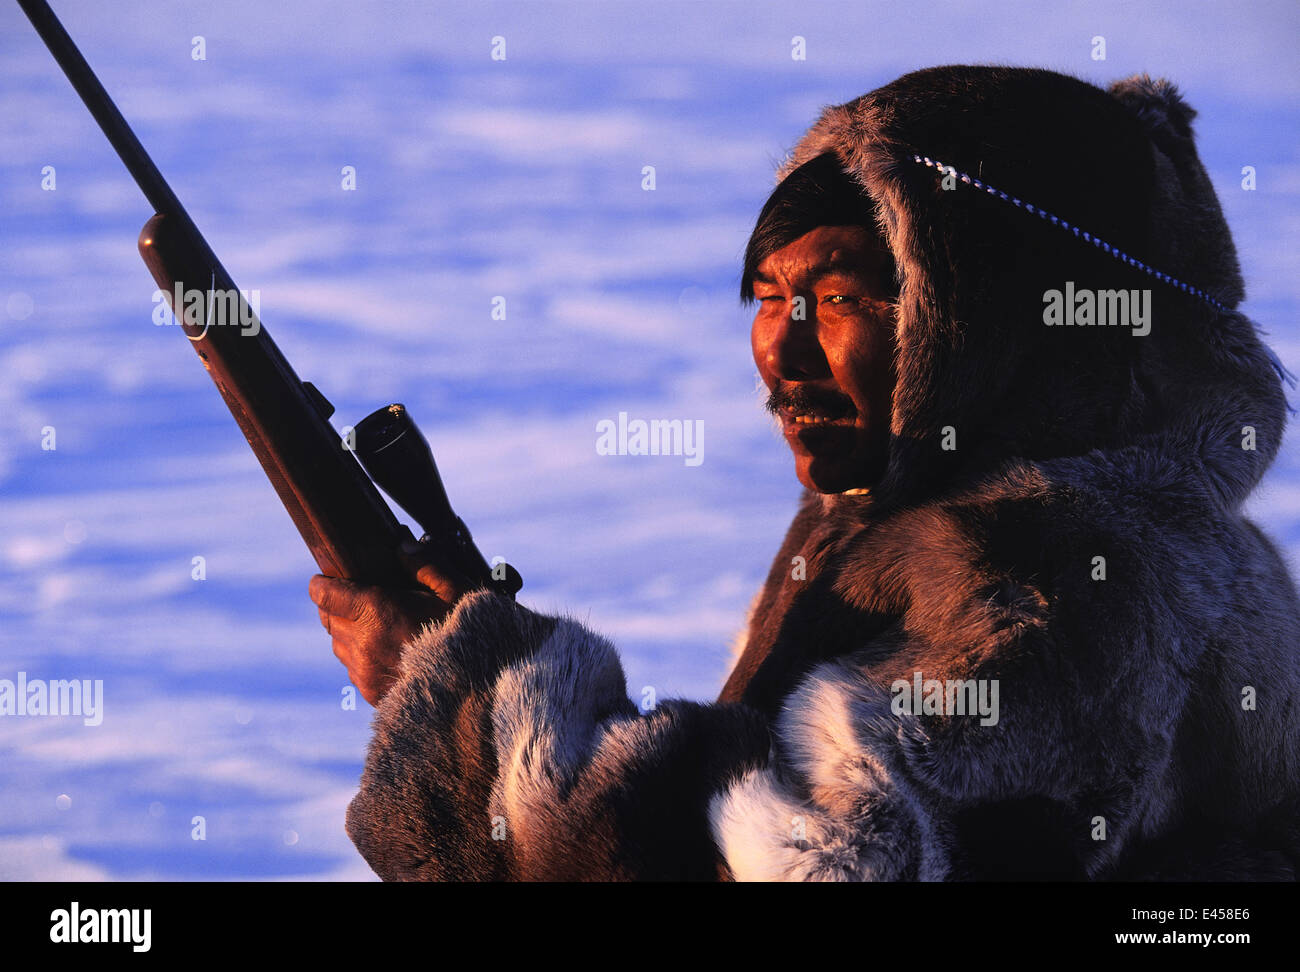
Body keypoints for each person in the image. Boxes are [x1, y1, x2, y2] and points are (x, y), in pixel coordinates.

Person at [309, 65, 1300, 880]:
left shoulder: (1050, 587)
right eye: (770, 292)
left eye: (838, 297)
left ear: (989, 329)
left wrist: (453, 706)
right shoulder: (957, 517)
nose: (781, 353)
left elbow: (790, 863)